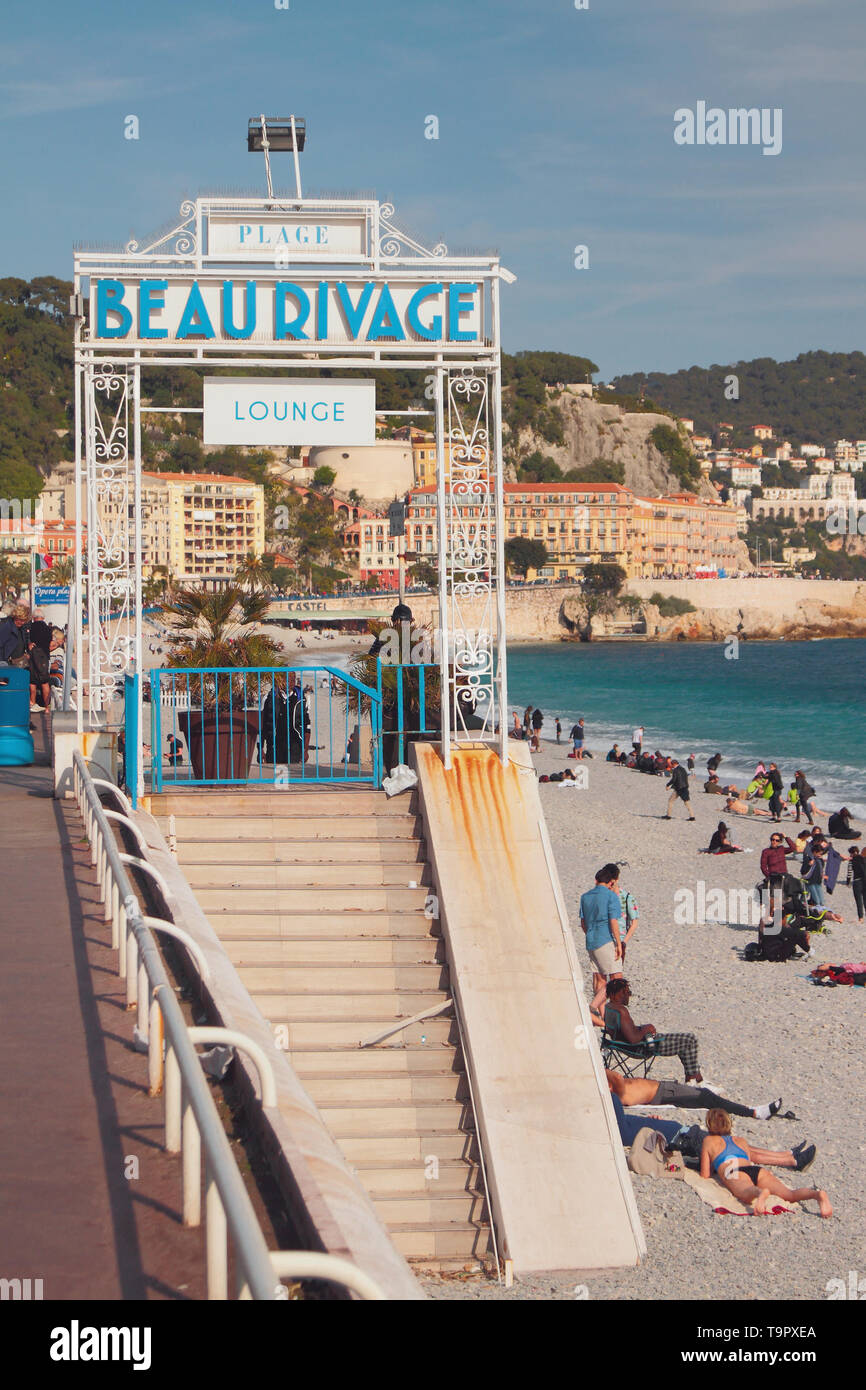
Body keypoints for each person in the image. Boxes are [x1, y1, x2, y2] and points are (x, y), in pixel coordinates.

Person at [700, 1109, 832, 1217]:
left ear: (709, 1124)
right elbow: (748, 1158)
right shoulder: (740, 1140)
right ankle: (816, 1194)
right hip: (755, 1170)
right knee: (789, 1195)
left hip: (733, 1170)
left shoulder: (708, 1141)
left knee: (745, 1193)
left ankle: (759, 1193)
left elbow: (705, 1174)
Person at [604, 978, 705, 1085]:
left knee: (685, 1041)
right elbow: (633, 1039)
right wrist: (647, 1028)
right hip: (643, 1048)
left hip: (625, 1046)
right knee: (690, 1039)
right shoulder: (621, 1011)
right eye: (628, 992)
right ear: (621, 993)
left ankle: (691, 1079)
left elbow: (625, 1031)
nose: (629, 995)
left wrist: (642, 1029)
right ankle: (697, 1080)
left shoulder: (609, 1007)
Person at [605, 1070, 791, 1124]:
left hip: (666, 1089)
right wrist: (602, 1069)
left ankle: (751, 1110)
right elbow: (618, 1077)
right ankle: (755, 1113)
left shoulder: (615, 1089)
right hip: (665, 1093)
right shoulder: (619, 1094)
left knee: (707, 1097)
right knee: (707, 1097)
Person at [579, 863, 623, 1019]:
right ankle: (591, 1009)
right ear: (611, 882)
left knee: (601, 979)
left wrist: (591, 934)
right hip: (605, 939)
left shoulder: (585, 897)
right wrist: (618, 944)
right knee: (616, 980)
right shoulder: (611, 896)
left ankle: (604, 1019)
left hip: (590, 941)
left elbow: (583, 923)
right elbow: (613, 921)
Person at [760, 830, 797, 916]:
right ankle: (771, 913)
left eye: (776, 840)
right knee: (775, 896)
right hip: (774, 875)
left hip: (784, 875)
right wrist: (768, 875)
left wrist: (786, 837)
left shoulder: (781, 849)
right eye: (772, 839)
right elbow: (763, 866)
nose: (774, 842)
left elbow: (793, 848)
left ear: (780, 842)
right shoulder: (766, 851)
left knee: (794, 889)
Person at [849, 844, 866, 923]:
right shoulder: (864, 860)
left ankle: (861, 917)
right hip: (864, 881)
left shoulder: (852, 860)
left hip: (857, 881)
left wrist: (848, 882)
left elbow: (849, 872)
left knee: (859, 900)